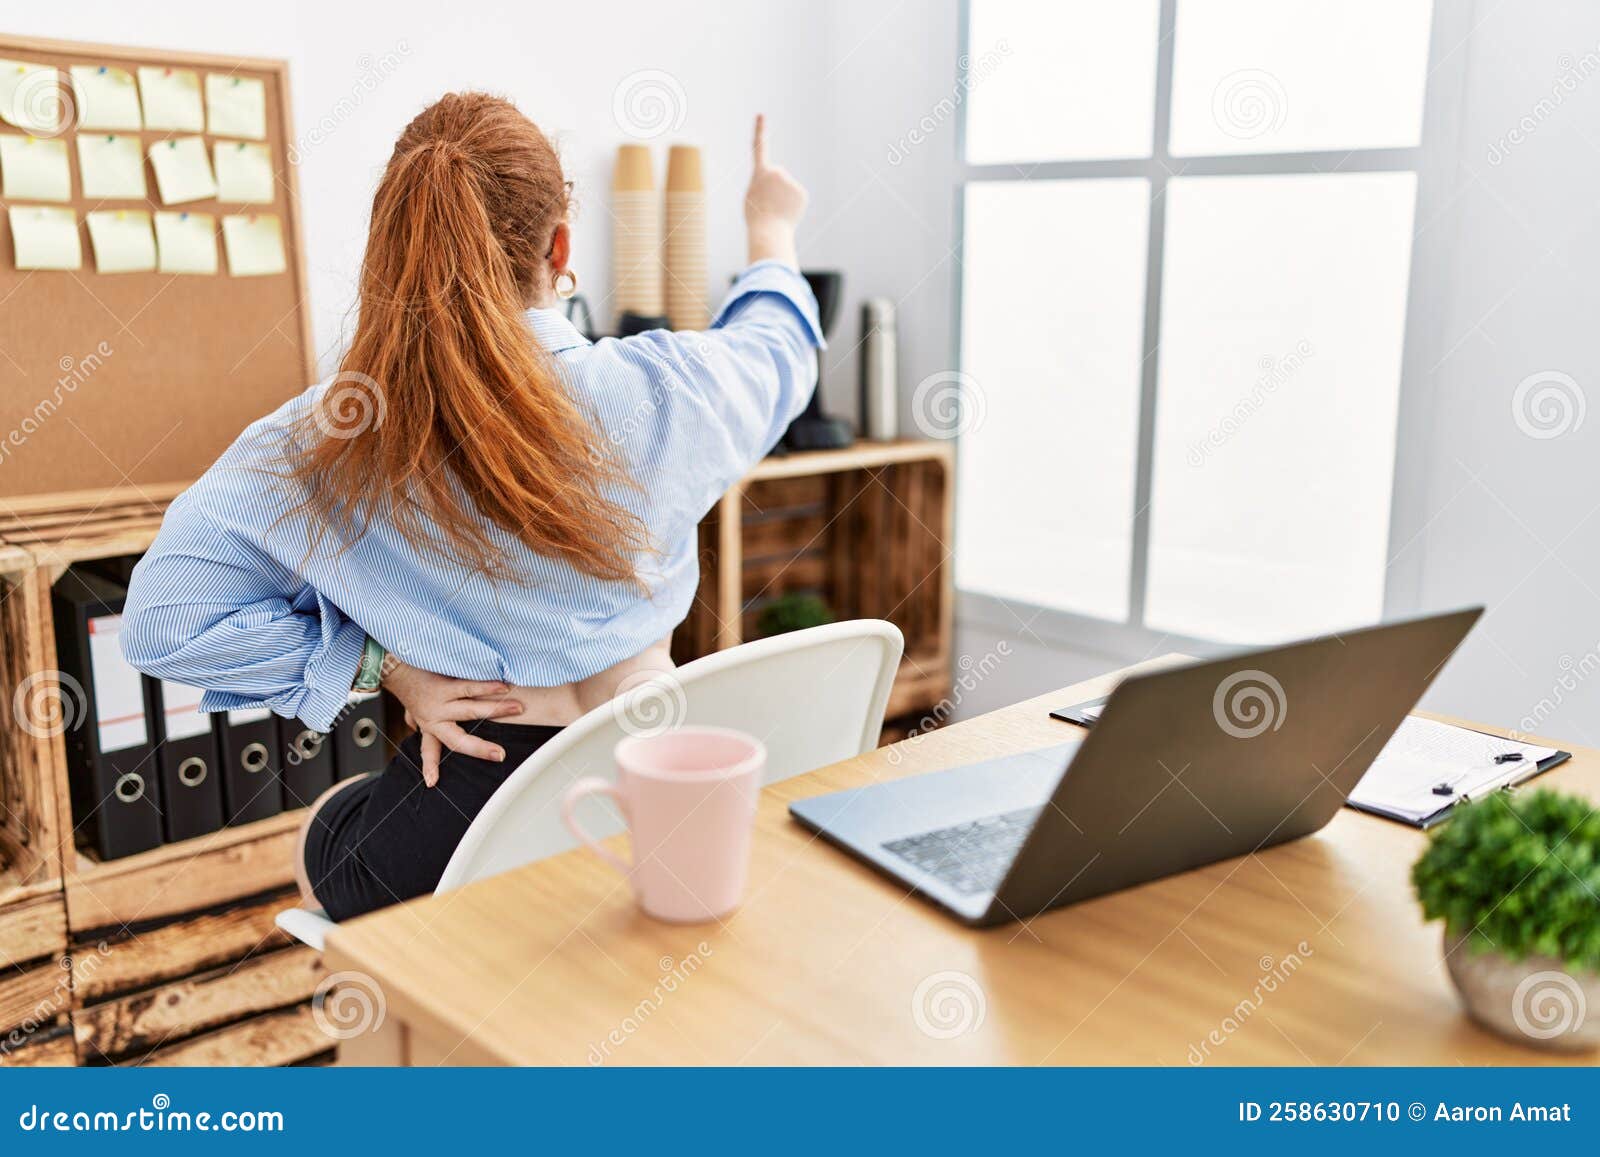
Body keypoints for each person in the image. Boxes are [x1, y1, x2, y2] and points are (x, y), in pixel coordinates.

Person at [121, 93, 821, 921]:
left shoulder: (326, 438)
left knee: (320, 840)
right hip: (654, 802)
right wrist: (769, 227)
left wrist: (380, 665)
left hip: (466, 824)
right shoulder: (669, 387)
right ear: (560, 246)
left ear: (395, 253)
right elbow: (779, 349)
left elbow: (162, 622)